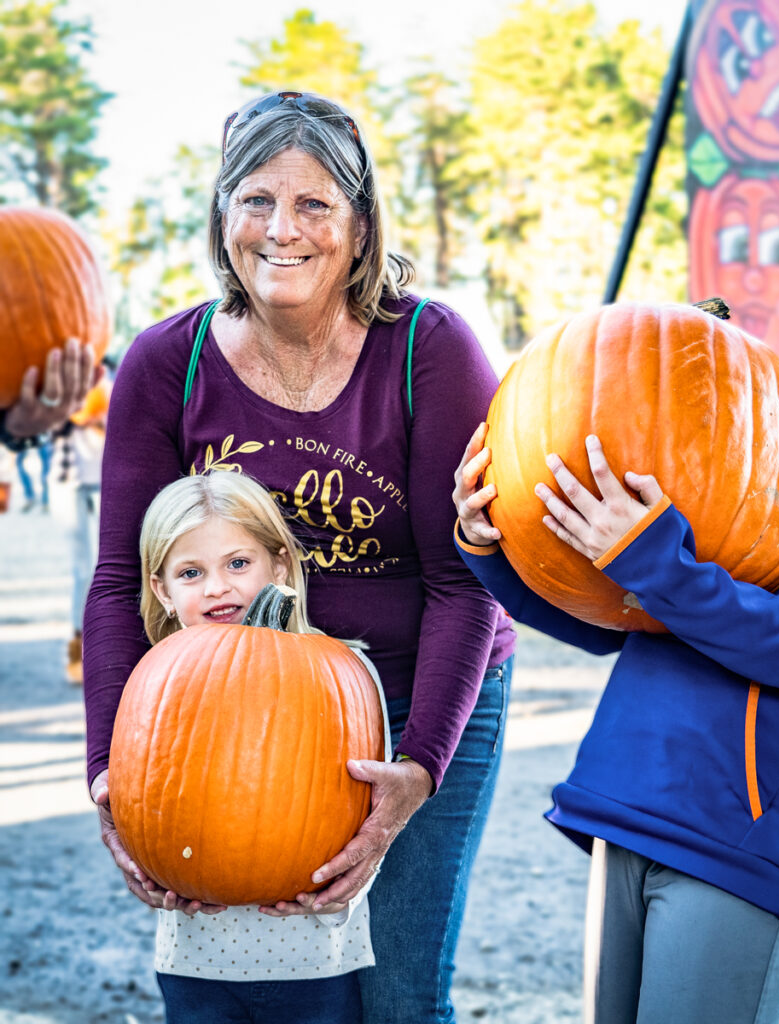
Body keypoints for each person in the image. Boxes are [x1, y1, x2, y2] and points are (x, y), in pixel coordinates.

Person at [453, 237, 779, 1023]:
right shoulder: (757, 467)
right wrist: (491, 549)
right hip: (630, 802)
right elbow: (618, 624)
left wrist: (655, 559)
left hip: (742, 839)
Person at [82, 90, 515, 1024]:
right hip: (236, 709)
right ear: (223, 216)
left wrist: (419, 767)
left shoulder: (429, 351)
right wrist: (110, 771)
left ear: (359, 228)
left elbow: (464, 577)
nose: (283, 229)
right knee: (266, 991)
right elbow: (119, 583)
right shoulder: (167, 363)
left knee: (398, 995)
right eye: (257, 200)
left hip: (420, 692)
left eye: (314, 203)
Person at [137, 470, 383, 1023]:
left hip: (317, 958)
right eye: (191, 572)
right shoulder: (160, 680)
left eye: (238, 563)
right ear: (163, 591)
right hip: (196, 960)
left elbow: (373, 810)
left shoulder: (342, 672)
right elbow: (144, 797)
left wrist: (342, 885)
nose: (217, 587)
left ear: (279, 565)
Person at [58, 369, 112, 683]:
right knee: (81, 569)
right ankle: (78, 646)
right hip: (66, 481)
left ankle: (103, 643)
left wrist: (97, 420)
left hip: (103, 480)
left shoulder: (107, 386)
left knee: (107, 564)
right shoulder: (58, 385)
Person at [14, 438, 53, 513]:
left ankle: (45, 500)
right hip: (23, 435)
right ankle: (30, 497)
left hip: (41, 435)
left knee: (46, 465)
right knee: (20, 464)